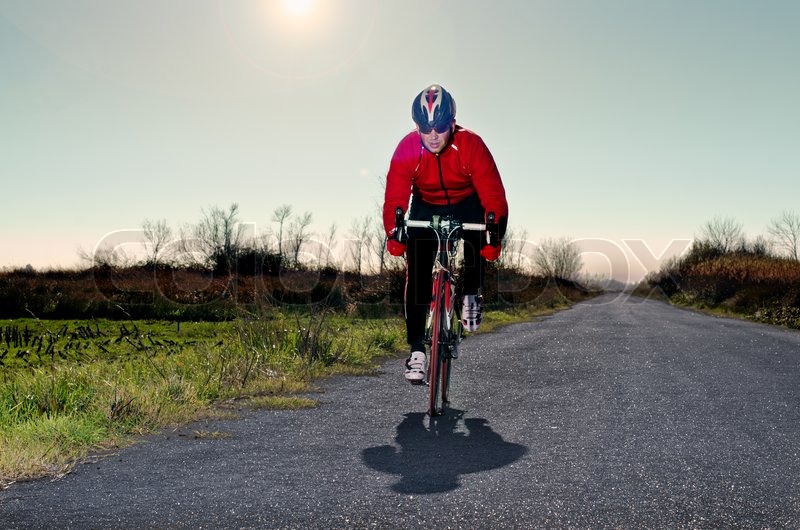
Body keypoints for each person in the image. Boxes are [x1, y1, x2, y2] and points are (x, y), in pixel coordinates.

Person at [382, 84, 509, 384]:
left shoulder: (471, 145)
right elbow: (395, 196)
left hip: (466, 201)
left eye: (439, 127)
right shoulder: (408, 148)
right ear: (417, 127)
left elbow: (493, 194)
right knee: (417, 270)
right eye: (425, 128)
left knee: (478, 238)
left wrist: (494, 236)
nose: (433, 135)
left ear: (452, 123)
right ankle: (417, 351)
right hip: (426, 204)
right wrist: (394, 233)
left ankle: (471, 294)